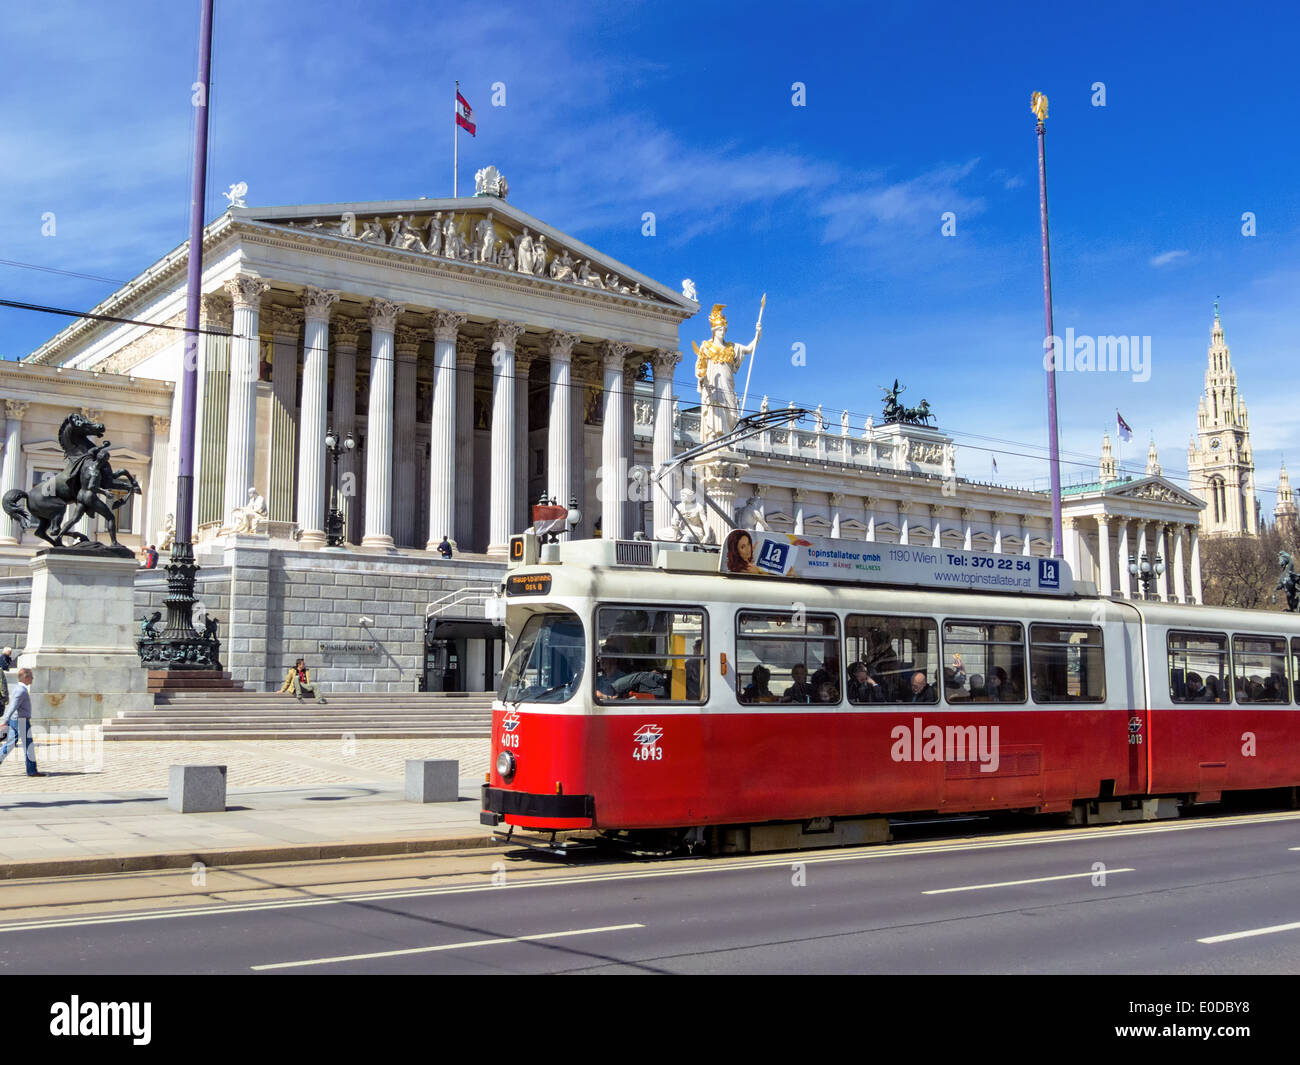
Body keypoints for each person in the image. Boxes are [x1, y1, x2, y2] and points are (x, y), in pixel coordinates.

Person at [0, 668, 44, 776]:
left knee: (14, 744)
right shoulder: (21, 690)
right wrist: (5, 721)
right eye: (31, 677)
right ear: (25, 677)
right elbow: (12, 707)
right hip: (21, 721)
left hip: (19, 720)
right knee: (23, 746)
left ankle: (32, 770)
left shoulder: (18, 688)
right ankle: (32, 771)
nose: (32, 679)